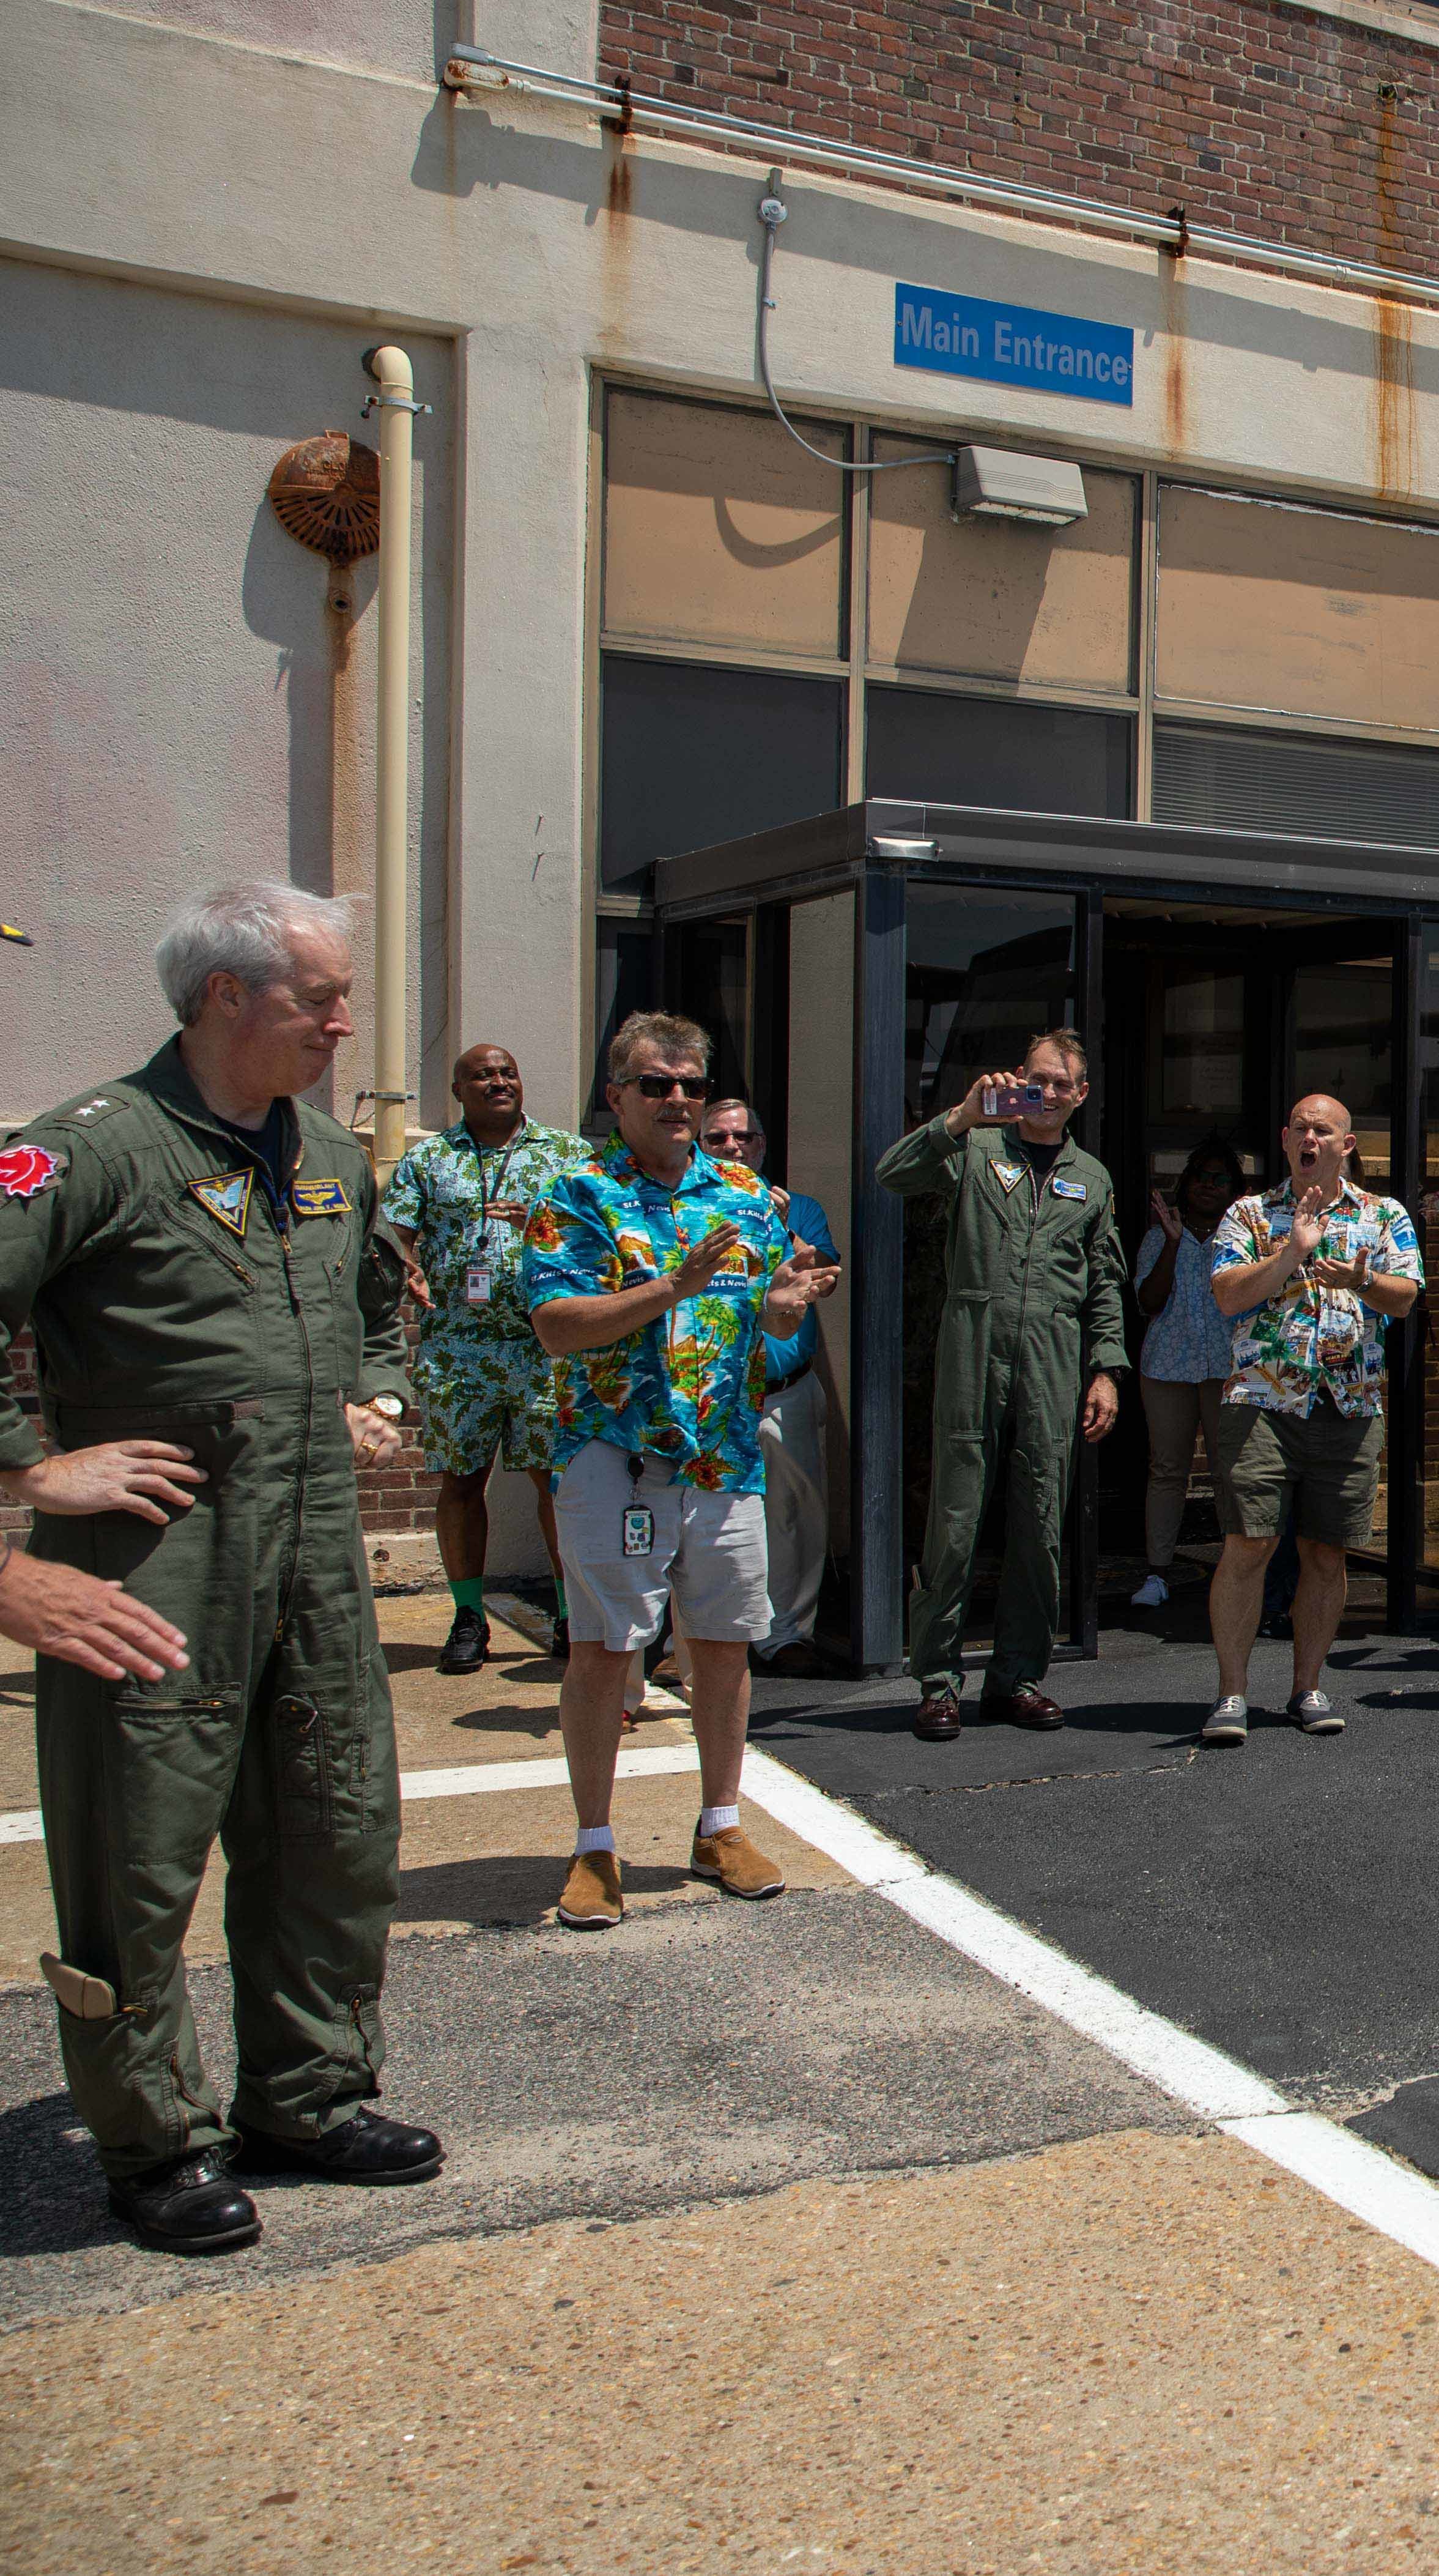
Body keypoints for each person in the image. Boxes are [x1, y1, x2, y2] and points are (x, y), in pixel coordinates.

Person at [0, 878, 437, 2252]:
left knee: (335, 1824)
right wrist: (22, 1472)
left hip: (311, 1550)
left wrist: (371, 1383)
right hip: (161, 1561)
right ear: (225, 997)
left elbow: (377, 1288)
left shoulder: (319, 1154)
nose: (345, 1022)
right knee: (137, 1857)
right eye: (322, 998)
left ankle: (304, 2095)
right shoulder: (94, 1148)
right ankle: (151, 2141)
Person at [527, 1014, 835, 1930]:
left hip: (725, 1458)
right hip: (613, 1460)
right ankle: (593, 1844)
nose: (678, 1100)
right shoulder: (576, 1193)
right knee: (604, 1650)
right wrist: (671, 1286)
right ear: (616, 1093)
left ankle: (721, 1825)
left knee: (725, 1643)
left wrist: (785, 1301)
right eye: (656, 1084)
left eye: (691, 1085)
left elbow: (770, 1322)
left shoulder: (743, 1193)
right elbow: (556, 1323)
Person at [876, 1032, 1127, 1743]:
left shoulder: (1093, 1177)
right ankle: (936, 1682)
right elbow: (893, 1173)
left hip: (1053, 1350)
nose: (1045, 1093)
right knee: (954, 1520)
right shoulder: (977, 1149)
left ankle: (1018, 1676)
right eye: (1034, 1079)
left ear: (1080, 1094)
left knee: (1040, 1520)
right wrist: (960, 1115)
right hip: (974, 1340)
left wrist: (1105, 1367)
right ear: (1018, 1079)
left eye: (1059, 1084)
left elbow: (1104, 1279)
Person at [1202, 1093, 1421, 1746]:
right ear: (1285, 1138)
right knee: (1249, 1545)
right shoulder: (1248, 1212)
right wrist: (1291, 1253)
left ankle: (1308, 1686)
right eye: (1299, 1127)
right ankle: (1231, 1694)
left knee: (1327, 1549)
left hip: (1348, 1403)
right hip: (1262, 1403)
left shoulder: (1384, 1215)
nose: (1310, 1137)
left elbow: (1407, 1298)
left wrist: (1362, 1284)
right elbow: (1226, 1294)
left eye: (1324, 1130)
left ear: (1346, 1145)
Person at [379, 1042, 585, 1674]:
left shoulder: (570, 1155)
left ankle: (571, 1614)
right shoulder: (429, 1160)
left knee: (559, 1484)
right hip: (458, 1352)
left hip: (543, 1349)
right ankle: (469, 1617)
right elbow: (393, 1233)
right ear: (458, 1091)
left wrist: (544, 1225)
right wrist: (404, 1266)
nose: (499, 1082)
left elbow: (604, 1235)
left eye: (508, 1073)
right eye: (483, 1076)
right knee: (461, 1483)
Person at [698, 1092, 843, 1673]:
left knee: (794, 1517)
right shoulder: (686, 1208)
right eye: (718, 1138)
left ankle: (787, 1635)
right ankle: (701, 1639)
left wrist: (780, 1226)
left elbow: (824, 1279)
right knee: (707, 1520)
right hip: (712, 1396)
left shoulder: (798, 1208)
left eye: (745, 1138)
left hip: (786, 1392)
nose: (733, 1146)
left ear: (762, 1145)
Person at [1127, 1135, 1246, 1613]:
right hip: (1167, 1367)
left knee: (1229, 1471)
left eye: (1220, 1179)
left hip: (1226, 1368)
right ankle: (1157, 1572)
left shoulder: (1242, 1238)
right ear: (1187, 1183)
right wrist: (1174, 1244)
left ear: (1233, 1190)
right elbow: (1148, 1303)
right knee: (1167, 1469)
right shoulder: (1160, 1235)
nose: (1208, 1186)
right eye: (1201, 1176)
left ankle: (1232, 1574)